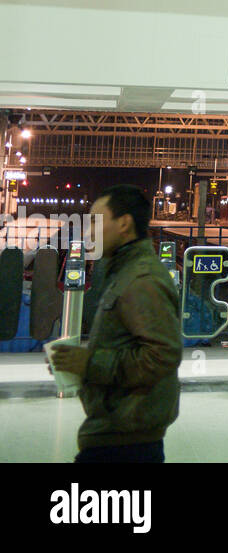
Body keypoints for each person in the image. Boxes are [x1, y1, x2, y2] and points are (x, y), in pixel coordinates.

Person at [49, 184, 181, 464]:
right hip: (114, 430)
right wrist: (79, 364)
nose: (88, 231)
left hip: (127, 441)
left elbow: (162, 355)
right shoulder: (123, 271)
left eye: (96, 222)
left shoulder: (142, 279)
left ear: (124, 224)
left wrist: (89, 364)